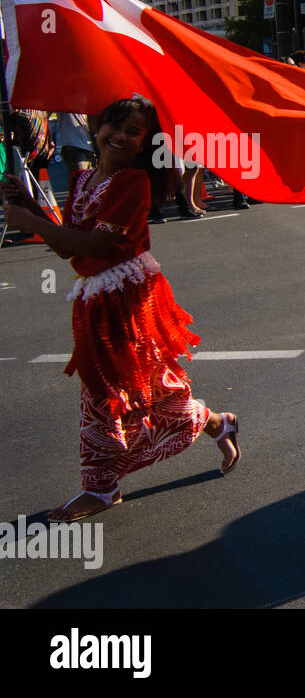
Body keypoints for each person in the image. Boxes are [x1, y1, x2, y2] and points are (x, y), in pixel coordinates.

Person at [0, 97, 241, 522]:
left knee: (106, 393)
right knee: (150, 389)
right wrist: (31, 206)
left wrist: (33, 223)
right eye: (115, 126)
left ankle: (101, 487)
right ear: (96, 128)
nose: (121, 136)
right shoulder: (82, 180)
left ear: (145, 142)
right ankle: (215, 421)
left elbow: (96, 246)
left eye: (134, 131)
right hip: (95, 299)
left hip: (130, 302)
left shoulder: (133, 183)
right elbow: (69, 251)